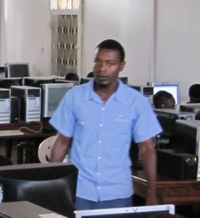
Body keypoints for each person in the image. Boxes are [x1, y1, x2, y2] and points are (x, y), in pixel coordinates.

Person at [50, 39, 161, 208]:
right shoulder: (74, 97)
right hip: (80, 191)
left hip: (118, 192)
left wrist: (152, 192)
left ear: (121, 66)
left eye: (110, 63)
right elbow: (61, 143)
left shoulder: (135, 101)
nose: (102, 69)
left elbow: (147, 149)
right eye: (98, 62)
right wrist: (52, 186)